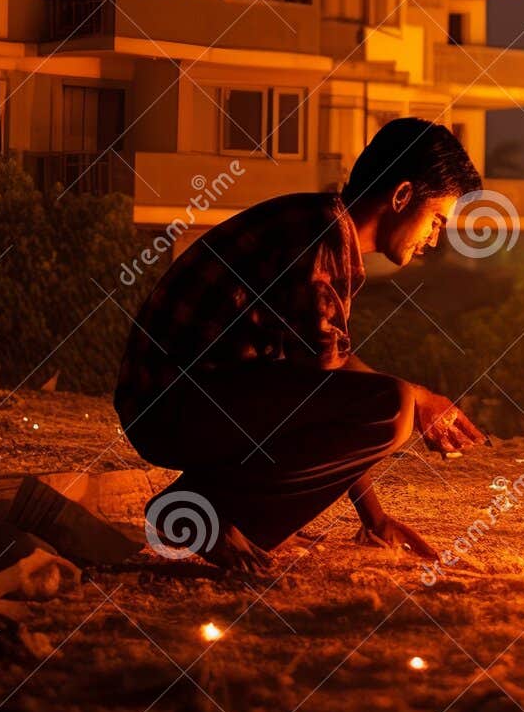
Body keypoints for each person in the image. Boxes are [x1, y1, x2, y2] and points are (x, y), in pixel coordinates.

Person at [116, 117, 487, 575]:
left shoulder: (325, 228)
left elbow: (326, 398)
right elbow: (333, 385)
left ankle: (205, 509)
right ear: (402, 195)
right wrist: (417, 397)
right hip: (172, 404)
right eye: (435, 220)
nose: (435, 238)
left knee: (390, 404)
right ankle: (199, 515)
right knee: (394, 406)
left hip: (191, 401)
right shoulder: (321, 234)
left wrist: (374, 519)